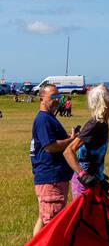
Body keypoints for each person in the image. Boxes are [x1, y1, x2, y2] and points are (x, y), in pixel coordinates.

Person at [30, 84, 72, 234]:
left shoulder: (48, 118)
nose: (57, 100)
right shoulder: (43, 119)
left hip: (52, 177)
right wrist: (72, 140)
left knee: (43, 218)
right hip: (51, 178)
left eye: (58, 97)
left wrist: (67, 138)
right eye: (53, 97)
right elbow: (50, 146)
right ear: (42, 99)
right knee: (53, 224)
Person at [64, 84, 109, 198]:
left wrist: (102, 180)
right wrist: (83, 175)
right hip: (84, 184)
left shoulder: (103, 124)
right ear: (103, 99)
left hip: (94, 180)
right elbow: (68, 151)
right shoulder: (94, 125)